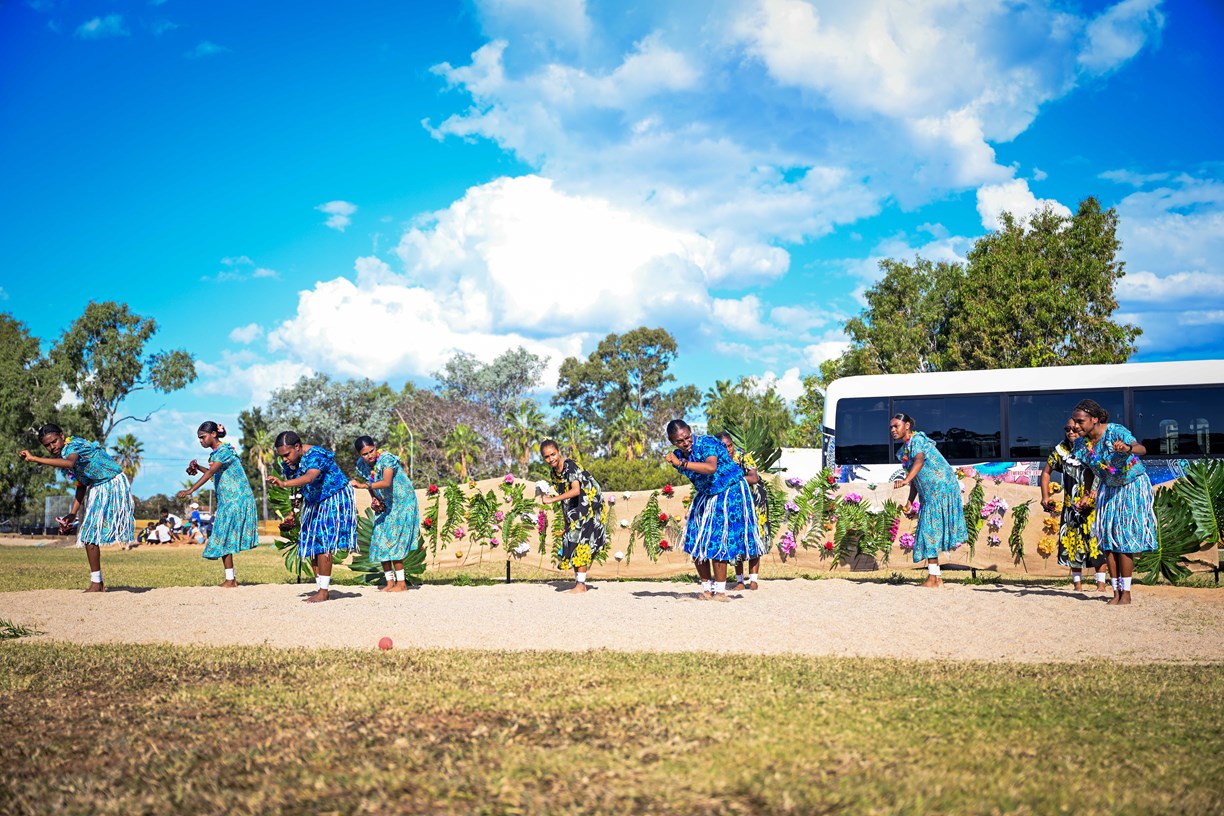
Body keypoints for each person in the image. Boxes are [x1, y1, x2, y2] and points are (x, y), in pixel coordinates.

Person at [19, 423, 135, 592]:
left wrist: (35, 458)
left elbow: (69, 463)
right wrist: (72, 514)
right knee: (88, 534)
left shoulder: (73, 446)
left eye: (54, 442)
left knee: (89, 534)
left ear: (62, 435)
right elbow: (82, 485)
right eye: (47, 445)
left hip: (111, 483)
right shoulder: (67, 454)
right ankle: (97, 582)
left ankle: (97, 583)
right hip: (97, 486)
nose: (52, 447)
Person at [663, 419, 761, 601]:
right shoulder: (679, 455)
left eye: (687, 437)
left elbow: (710, 467)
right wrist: (679, 462)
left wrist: (681, 464)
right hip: (707, 493)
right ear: (672, 442)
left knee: (717, 539)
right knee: (696, 539)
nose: (686, 443)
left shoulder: (707, 443)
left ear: (691, 432)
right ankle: (707, 588)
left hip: (729, 490)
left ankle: (720, 591)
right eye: (680, 441)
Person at [1070, 399, 1157, 605]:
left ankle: (1126, 593)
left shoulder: (1115, 431)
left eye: (1080, 421)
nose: (1076, 426)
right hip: (1108, 488)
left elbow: (1141, 449)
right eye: (1075, 421)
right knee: (1108, 541)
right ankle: (1116, 592)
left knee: (1124, 539)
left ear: (1095, 419)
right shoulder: (1081, 444)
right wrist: (1086, 494)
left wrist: (1127, 448)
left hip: (1131, 486)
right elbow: (1090, 470)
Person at [266, 430, 357, 603]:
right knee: (311, 542)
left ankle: (323, 591)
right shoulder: (292, 462)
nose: (285, 459)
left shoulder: (316, 454)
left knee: (323, 541)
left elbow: (309, 478)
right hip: (314, 500)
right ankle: (320, 587)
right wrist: (293, 512)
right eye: (282, 456)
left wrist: (283, 483)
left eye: (287, 454)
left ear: (298, 446)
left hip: (333, 496)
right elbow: (300, 488)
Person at [890, 413, 968, 588]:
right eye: (891, 427)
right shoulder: (903, 451)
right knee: (927, 533)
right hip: (929, 495)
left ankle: (934, 579)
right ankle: (935, 578)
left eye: (897, 426)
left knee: (928, 532)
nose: (893, 430)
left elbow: (919, 460)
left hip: (942, 489)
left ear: (907, 425)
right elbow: (916, 478)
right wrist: (910, 500)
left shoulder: (917, 440)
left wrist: (906, 480)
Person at [178, 421, 259, 588]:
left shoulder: (224, 451)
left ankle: (231, 579)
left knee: (223, 534)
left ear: (213, 434)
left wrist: (190, 490)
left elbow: (211, 473)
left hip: (237, 499)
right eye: (199, 438)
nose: (200, 441)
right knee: (223, 536)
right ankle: (230, 579)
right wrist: (197, 467)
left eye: (203, 437)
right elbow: (213, 472)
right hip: (227, 501)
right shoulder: (216, 454)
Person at [1040, 419, 1107, 593]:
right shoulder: (1060, 450)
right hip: (1071, 507)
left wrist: (1093, 492)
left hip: (1092, 505)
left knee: (1096, 543)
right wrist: (1045, 496)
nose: (1071, 432)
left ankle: (1101, 584)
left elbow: (1102, 471)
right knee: (1073, 544)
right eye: (1068, 429)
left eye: (1075, 429)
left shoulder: (1091, 448)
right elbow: (1046, 473)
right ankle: (1077, 585)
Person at [350, 436, 420, 593]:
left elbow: (386, 482)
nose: (370, 456)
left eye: (372, 451)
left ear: (376, 447)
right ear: (360, 455)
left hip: (402, 502)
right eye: (365, 454)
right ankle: (390, 582)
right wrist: (374, 499)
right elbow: (372, 482)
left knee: (394, 539)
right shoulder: (363, 465)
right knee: (380, 538)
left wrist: (362, 485)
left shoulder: (387, 459)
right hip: (386, 503)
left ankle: (401, 583)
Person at [539, 438, 608, 594]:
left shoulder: (570, 466)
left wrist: (551, 500)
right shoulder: (554, 473)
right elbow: (566, 497)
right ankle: (579, 583)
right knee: (573, 540)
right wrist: (566, 523)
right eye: (547, 457)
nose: (551, 459)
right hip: (575, 507)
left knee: (581, 543)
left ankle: (581, 585)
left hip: (590, 505)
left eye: (553, 454)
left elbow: (576, 490)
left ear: (559, 452)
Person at [716, 431, 771, 590]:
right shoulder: (718, 461)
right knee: (735, 538)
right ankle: (740, 581)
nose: (729, 449)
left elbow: (753, 478)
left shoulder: (744, 456)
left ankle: (753, 580)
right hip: (735, 503)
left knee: (753, 537)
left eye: (730, 445)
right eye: (724, 447)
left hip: (753, 501)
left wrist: (730, 480)